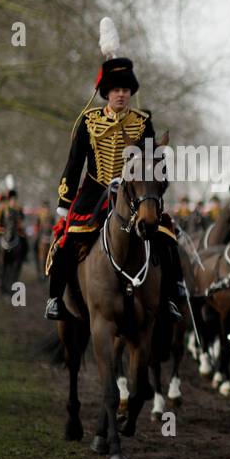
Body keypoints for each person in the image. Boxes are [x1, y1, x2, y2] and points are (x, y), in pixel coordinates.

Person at [45, 42, 185, 322]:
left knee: (165, 237)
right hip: (96, 188)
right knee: (69, 236)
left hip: (134, 190)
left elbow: (154, 162)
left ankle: (171, 295)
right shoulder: (88, 121)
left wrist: (153, 194)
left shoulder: (143, 122)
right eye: (116, 90)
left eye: (125, 90)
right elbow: (74, 164)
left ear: (131, 93)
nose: (121, 95)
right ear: (106, 92)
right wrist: (65, 201)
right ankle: (55, 298)